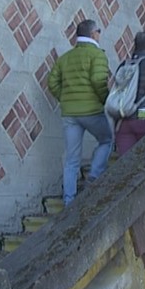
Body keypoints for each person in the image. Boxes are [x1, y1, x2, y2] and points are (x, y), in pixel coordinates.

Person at [47, 19, 113, 206]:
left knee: (71, 159)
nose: (100, 34)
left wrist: (66, 99)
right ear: (93, 34)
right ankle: (94, 175)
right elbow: (98, 81)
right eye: (99, 31)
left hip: (70, 115)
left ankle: (69, 201)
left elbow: (51, 82)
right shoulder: (97, 56)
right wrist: (105, 100)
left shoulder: (65, 58)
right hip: (91, 111)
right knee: (107, 139)